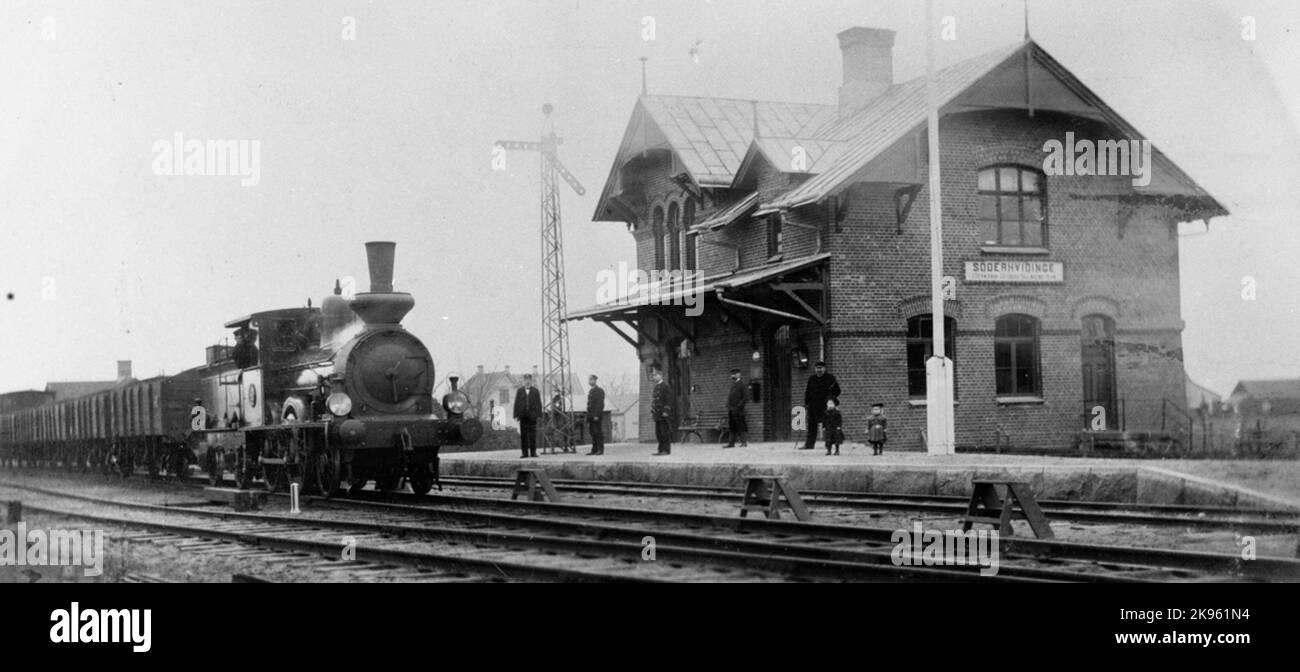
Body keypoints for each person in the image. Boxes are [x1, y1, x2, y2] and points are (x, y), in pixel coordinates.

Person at [802, 361, 841, 450]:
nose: (819, 370)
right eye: (817, 368)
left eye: (821, 368)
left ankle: (829, 444)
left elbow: (837, 391)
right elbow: (807, 392)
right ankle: (809, 444)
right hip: (813, 406)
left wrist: (831, 399)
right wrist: (806, 403)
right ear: (815, 369)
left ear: (824, 369)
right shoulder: (811, 379)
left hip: (825, 406)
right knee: (812, 425)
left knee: (828, 426)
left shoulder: (830, 378)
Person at [513, 374, 543, 458]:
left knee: (532, 435)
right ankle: (525, 453)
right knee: (524, 436)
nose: (527, 382)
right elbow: (516, 403)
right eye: (526, 380)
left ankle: (533, 453)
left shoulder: (535, 391)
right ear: (523, 381)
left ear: (531, 381)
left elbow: (538, 403)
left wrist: (539, 415)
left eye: (529, 380)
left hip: (532, 417)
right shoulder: (519, 391)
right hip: (523, 417)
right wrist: (516, 415)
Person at [650, 366, 674, 456]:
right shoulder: (656, 387)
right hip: (657, 414)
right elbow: (654, 401)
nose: (654, 377)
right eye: (653, 375)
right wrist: (652, 411)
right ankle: (660, 449)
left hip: (663, 414)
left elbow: (668, 400)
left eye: (655, 375)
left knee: (664, 432)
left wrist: (666, 411)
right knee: (658, 433)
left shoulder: (665, 386)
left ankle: (666, 450)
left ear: (660, 375)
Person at [724, 368, 748, 448]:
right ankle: (731, 443)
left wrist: (738, 407)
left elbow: (745, 398)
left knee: (741, 425)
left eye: (734, 374)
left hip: (739, 410)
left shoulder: (742, 384)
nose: (732, 376)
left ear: (739, 374)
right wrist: (728, 405)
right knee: (732, 426)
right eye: (732, 374)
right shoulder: (733, 385)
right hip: (731, 410)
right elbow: (731, 397)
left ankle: (744, 442)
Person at [586, 374, 605, 455]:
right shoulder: (591, 391)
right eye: (589, 379)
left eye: (591, 379)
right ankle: (594, 449)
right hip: (591, 416)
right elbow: (589, 405)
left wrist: (596, 415)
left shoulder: (599, 390)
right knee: (593, 433)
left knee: (598, 432)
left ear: (595, 380)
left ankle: (600, 449)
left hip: (596, 416)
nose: (590, 381)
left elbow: (600, 404)